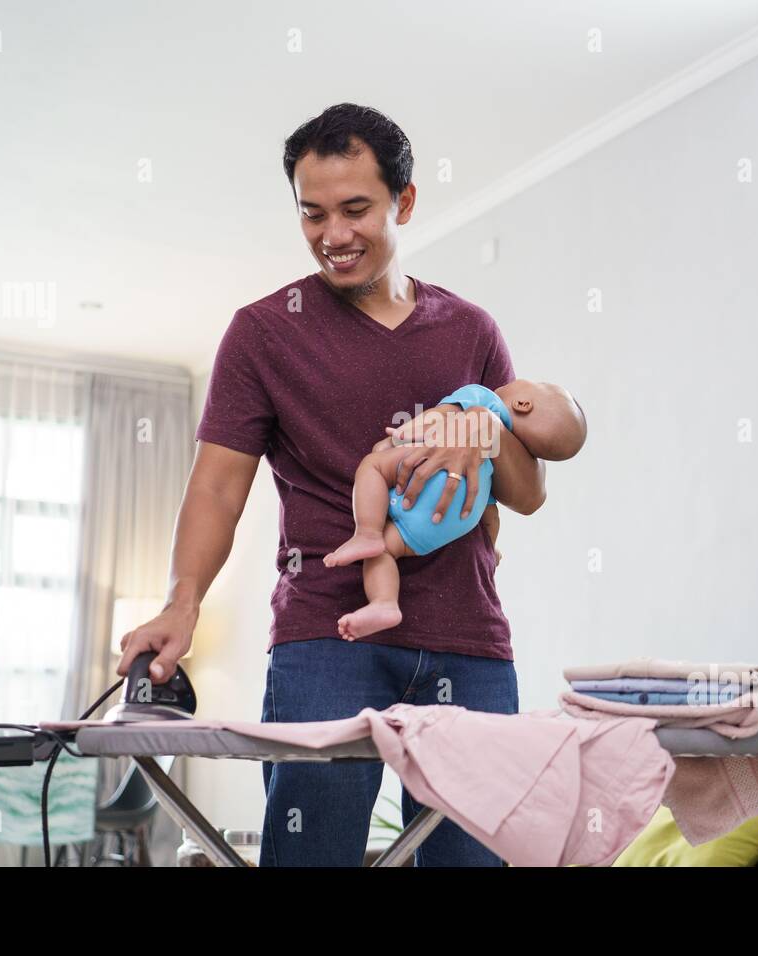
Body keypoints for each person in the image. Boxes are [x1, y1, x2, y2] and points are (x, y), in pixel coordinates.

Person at [115, 103, 547, 866]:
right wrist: (182, 603)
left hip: (468, 643)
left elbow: (527, 491)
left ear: (404, 202)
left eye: (356, 209)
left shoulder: (471, 330)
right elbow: (217, 487)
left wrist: (486, 430)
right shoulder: (262, 332)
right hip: (326, 637)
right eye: (312, 214)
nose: (333, 236)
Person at [324, 380, 586, 641]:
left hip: (420, 478)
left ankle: (367, 535)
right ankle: (384, 604)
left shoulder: (485, 399)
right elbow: (490, 516)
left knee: (373, 466)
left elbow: (439, 416)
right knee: (388, 550)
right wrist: (490, 550)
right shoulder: (498, 458)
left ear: (523, 404)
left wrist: (397, 439)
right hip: (448, 524)